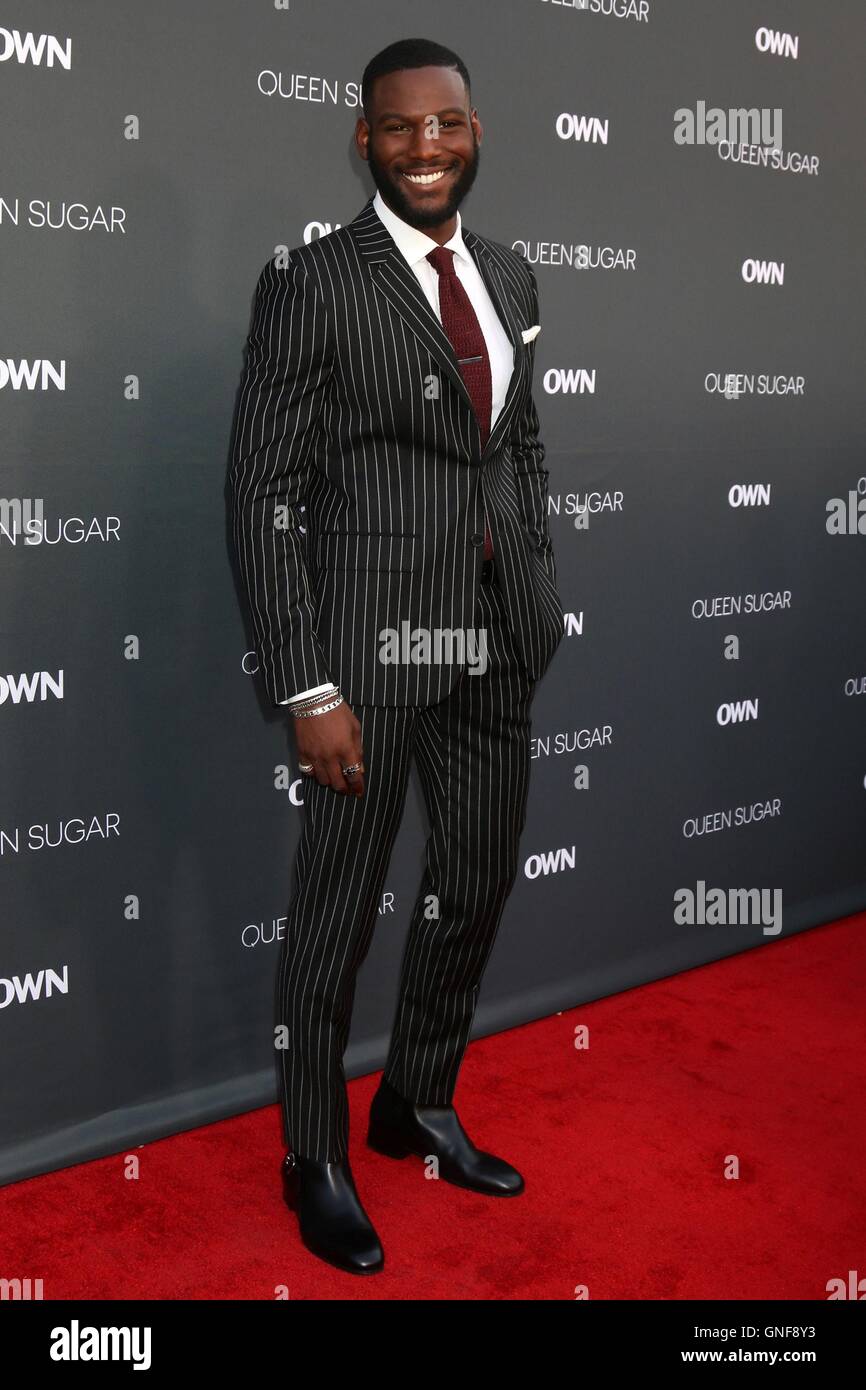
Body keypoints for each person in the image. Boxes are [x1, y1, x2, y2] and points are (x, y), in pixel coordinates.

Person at [229, 36, 564, 1275]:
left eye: (447, 124)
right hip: (362, 661)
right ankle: (312, 1155)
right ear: (362, 139)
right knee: (335, 918)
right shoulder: (314, 281)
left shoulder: (511, 275)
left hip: (494, 642)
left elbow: (517, 444)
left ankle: (415, 1100)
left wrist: (536, 579)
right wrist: (306, 682)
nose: (427, 147)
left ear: (476, 133)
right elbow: (261, 490)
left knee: (470, 885)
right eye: (400, 126)